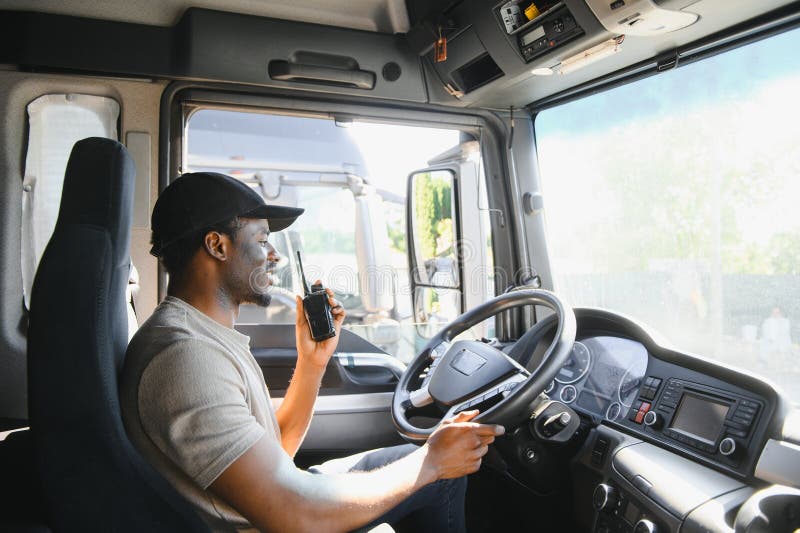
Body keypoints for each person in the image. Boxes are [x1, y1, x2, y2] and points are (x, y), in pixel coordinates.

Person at [119, 172, 504, 533]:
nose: (275, 255)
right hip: (271, 519)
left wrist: (312, 362)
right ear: (217, 245)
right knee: (436, 475)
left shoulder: (204, 336)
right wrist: (432, 462)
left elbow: (277, 450)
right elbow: (296, 513)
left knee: (422, 466)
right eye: (263, 240)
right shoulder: (186, 359)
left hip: (278, 502)